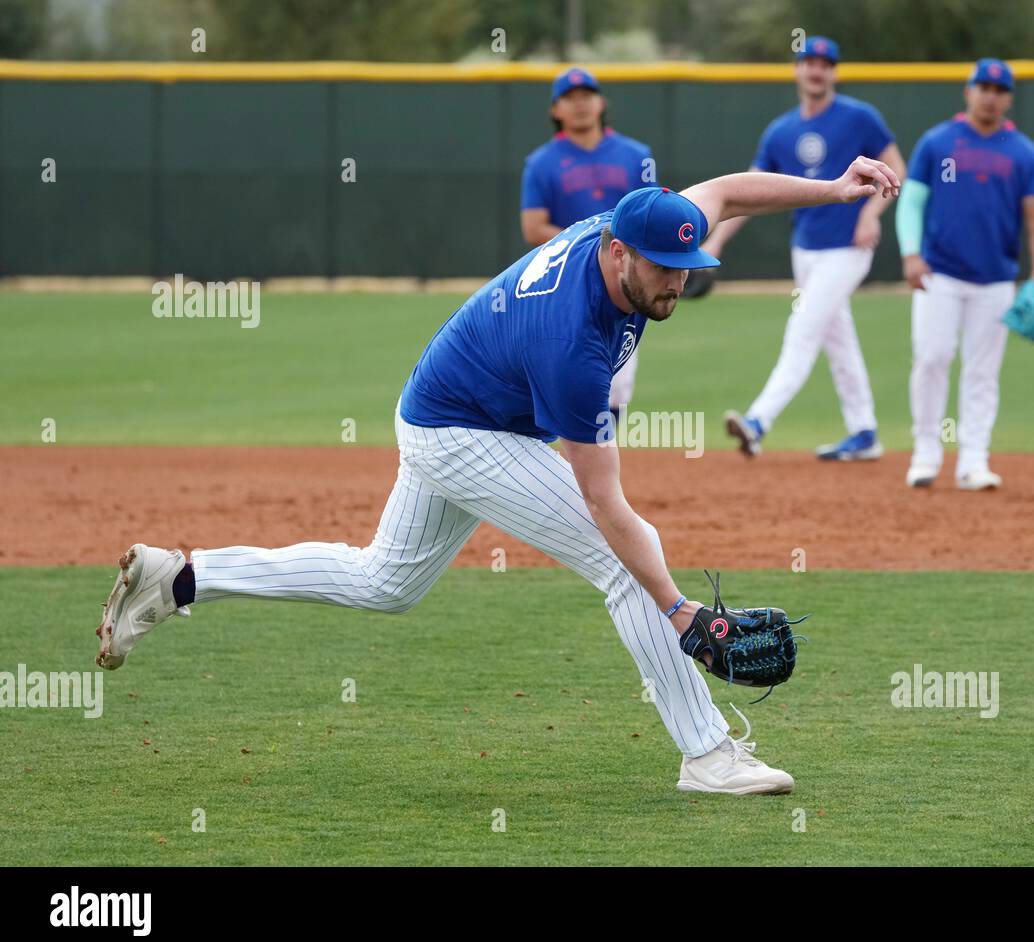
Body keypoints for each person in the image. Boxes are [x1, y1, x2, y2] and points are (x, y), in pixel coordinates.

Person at [96, 156, 901, 796]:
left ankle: (182, 579)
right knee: (629, 563)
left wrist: (831, 190)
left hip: (445, 409)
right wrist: (680, 611)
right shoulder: (576, 347)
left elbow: (725, 192)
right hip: (457, 431)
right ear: (620, 252)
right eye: (664, 268)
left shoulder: (632, 231)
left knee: (386, 583)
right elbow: (606, 504)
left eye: (686, 264)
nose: (678, 281)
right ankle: (708, 756)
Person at [701, 36, 906, 461]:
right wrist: (716, 239)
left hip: (848, 248)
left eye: (825, 64)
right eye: (808, 62)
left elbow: (896, 165)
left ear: (834, 72)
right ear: (796, 70)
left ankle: (758, 420)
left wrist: (871, 215)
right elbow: (747, 194)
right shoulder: (781, 131)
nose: (816, 70)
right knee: (838, 338)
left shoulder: (859, 117)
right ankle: (864, 431)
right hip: (806, 249)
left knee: (804, 328)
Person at [895, 58, 1034, 490]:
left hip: (996, 278)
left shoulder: (1023, 151)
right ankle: (926, 454)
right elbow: (911, 202)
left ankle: (973, 460)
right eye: (983, 86)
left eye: (999, 89)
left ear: (1009, 98)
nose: (990, 95)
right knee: (931, 359)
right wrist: (911, 253)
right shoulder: (937, 142)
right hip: (939, 273)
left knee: (982, 372)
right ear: (967, 91)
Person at [521, 67, 656, 420]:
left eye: (586, 96)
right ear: (556, 110)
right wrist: (593, 247)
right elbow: (533, 228)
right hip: (565, 279)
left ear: (601, 103)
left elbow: (648, 216)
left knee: (618, 381)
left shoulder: (637, 154)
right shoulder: (540, 163)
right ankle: (562, 464)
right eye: (569, 98)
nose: (580, 105)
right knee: (565, 371)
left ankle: (595, 466)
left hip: (624, 280)